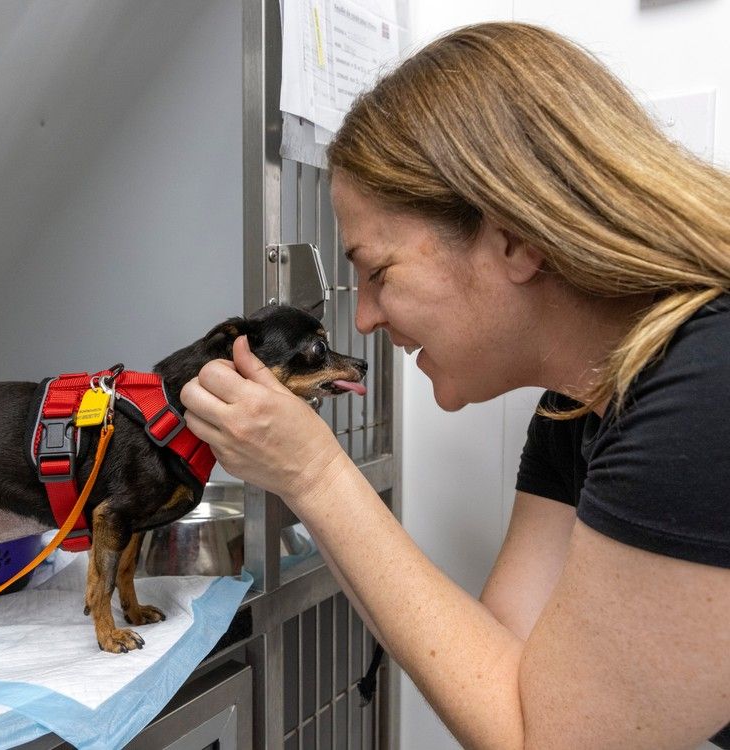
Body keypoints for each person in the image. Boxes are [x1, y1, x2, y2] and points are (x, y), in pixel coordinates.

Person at [181, 22, 730, 750]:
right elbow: (505, 652)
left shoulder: (704, 388)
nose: (366, 319)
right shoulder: (576, 408)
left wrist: (315, 473)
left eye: (378, 273)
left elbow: (544, 740)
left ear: (514, 238)